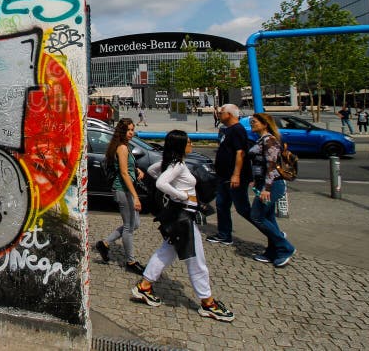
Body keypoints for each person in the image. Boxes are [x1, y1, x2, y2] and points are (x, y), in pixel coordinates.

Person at [131, 130, 235, 322]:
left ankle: (144, 286)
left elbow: (154, 172)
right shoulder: (177, 165)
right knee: (196, 260)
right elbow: (161, 182)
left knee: (166, 251)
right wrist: (180, 195)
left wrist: (175, 193)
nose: (191, 144)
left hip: (180, 216)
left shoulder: (171, 163)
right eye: (188, 142)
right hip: (182, 216)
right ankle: (207, 302)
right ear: (180, 145)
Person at [93, 118, 147, 274]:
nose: (132, 132)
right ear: (122, 132)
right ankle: (131, 261)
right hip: (123, 189)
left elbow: (127, 168)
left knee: (134, 224)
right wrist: (135, 196)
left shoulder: (125, 146)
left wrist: (137, 171)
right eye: (129, 130)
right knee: (129, 227)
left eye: (132, 129)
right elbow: (123, 172)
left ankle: (104, 243)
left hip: (126, 188)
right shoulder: (122, 148)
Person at [247, 113, 297, 267]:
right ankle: (272, 251)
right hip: (264, 183)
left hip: (272, 184)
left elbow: (271, 166)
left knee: (256, 216)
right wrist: (256, 181)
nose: (252, 124)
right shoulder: (262, 140)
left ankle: (285, 247)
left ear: (265, 124)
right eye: (251, 122)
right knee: (268, 217)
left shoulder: (270, 140)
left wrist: (266, 188)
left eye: (254, 122)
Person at [207, 104, 252, 245]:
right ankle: (224, 234)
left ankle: (271, 231)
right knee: (221, 205)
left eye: (221, 112)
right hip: (223, 176)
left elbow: (240, 152)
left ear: (230, 114)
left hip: (233, 177)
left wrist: (236, 175)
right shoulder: (227, 130)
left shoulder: (238, 130)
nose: (218, 114)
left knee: (243, 209)